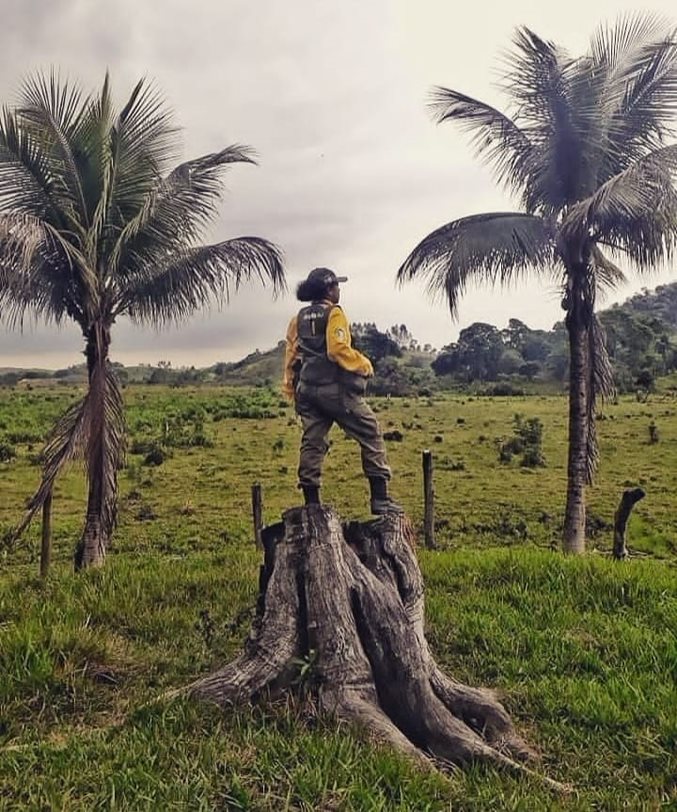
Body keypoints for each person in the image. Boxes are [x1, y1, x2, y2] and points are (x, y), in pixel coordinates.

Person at [283, 267, 403, 514]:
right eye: (336, 286)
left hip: (307, 390)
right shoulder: (334, 313)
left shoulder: (299, 318)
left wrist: (290, 387)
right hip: (334, 390)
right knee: (370, 432)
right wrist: (363, 364)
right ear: (329, 289)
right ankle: (380, 499)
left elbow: (292, 355)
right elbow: (336, 349)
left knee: (312, 443)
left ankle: (312, 503)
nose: (339, 290)